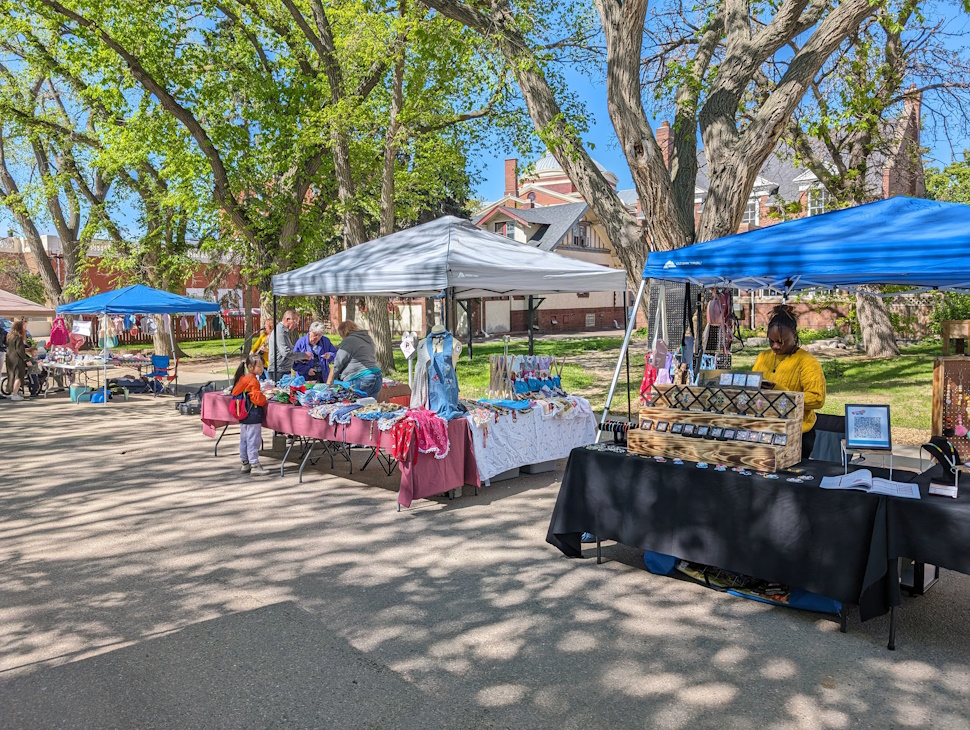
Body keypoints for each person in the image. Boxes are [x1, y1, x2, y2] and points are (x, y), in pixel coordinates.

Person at [753, 304, 827, 459]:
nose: (775, 346)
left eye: (781, 341)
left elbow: (817, 399)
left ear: (794, 334)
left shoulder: (807, 361)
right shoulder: (763, 357)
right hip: (765, 431)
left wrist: (779, 390)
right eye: (771, 341)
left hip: (797, 435)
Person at [231, 353, 270, 476]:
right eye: (259, 366)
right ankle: (255, 464)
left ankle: (245, 463)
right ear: (250, 367)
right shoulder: (253, 381)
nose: (261, 368)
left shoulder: (242, 379)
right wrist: (266, 398)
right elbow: (257, 399)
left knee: (244, 439)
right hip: (253, 414)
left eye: (262, 366)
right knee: (254, 439)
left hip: (243, 414)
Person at [327, 320, 383, 398]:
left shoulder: (348, 341)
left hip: (360, 378)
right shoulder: (367, 338)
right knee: (370, 406)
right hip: (377, 376)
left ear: (342, 332)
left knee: (356, 407)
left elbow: (339, 362)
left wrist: (333, 379)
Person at [267, 309, 311, 379]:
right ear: (288, 319)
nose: (297, 326)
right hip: (278, 370)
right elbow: (286, 352)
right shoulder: (280, 332)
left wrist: (300, 358)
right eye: (295, 322)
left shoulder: (284, 332)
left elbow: (290, 349)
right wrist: (304, 355)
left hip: (284, 369)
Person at [5, 320, 28, 401]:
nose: (25, 328)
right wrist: (26, 359)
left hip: (9, 357)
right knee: (18, 376)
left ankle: (13, 392)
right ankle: (15, 394)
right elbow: (19, 350)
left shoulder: (9, 335)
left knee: (11, 375)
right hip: (17, 359)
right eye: (24, 326)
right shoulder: (19, 336)